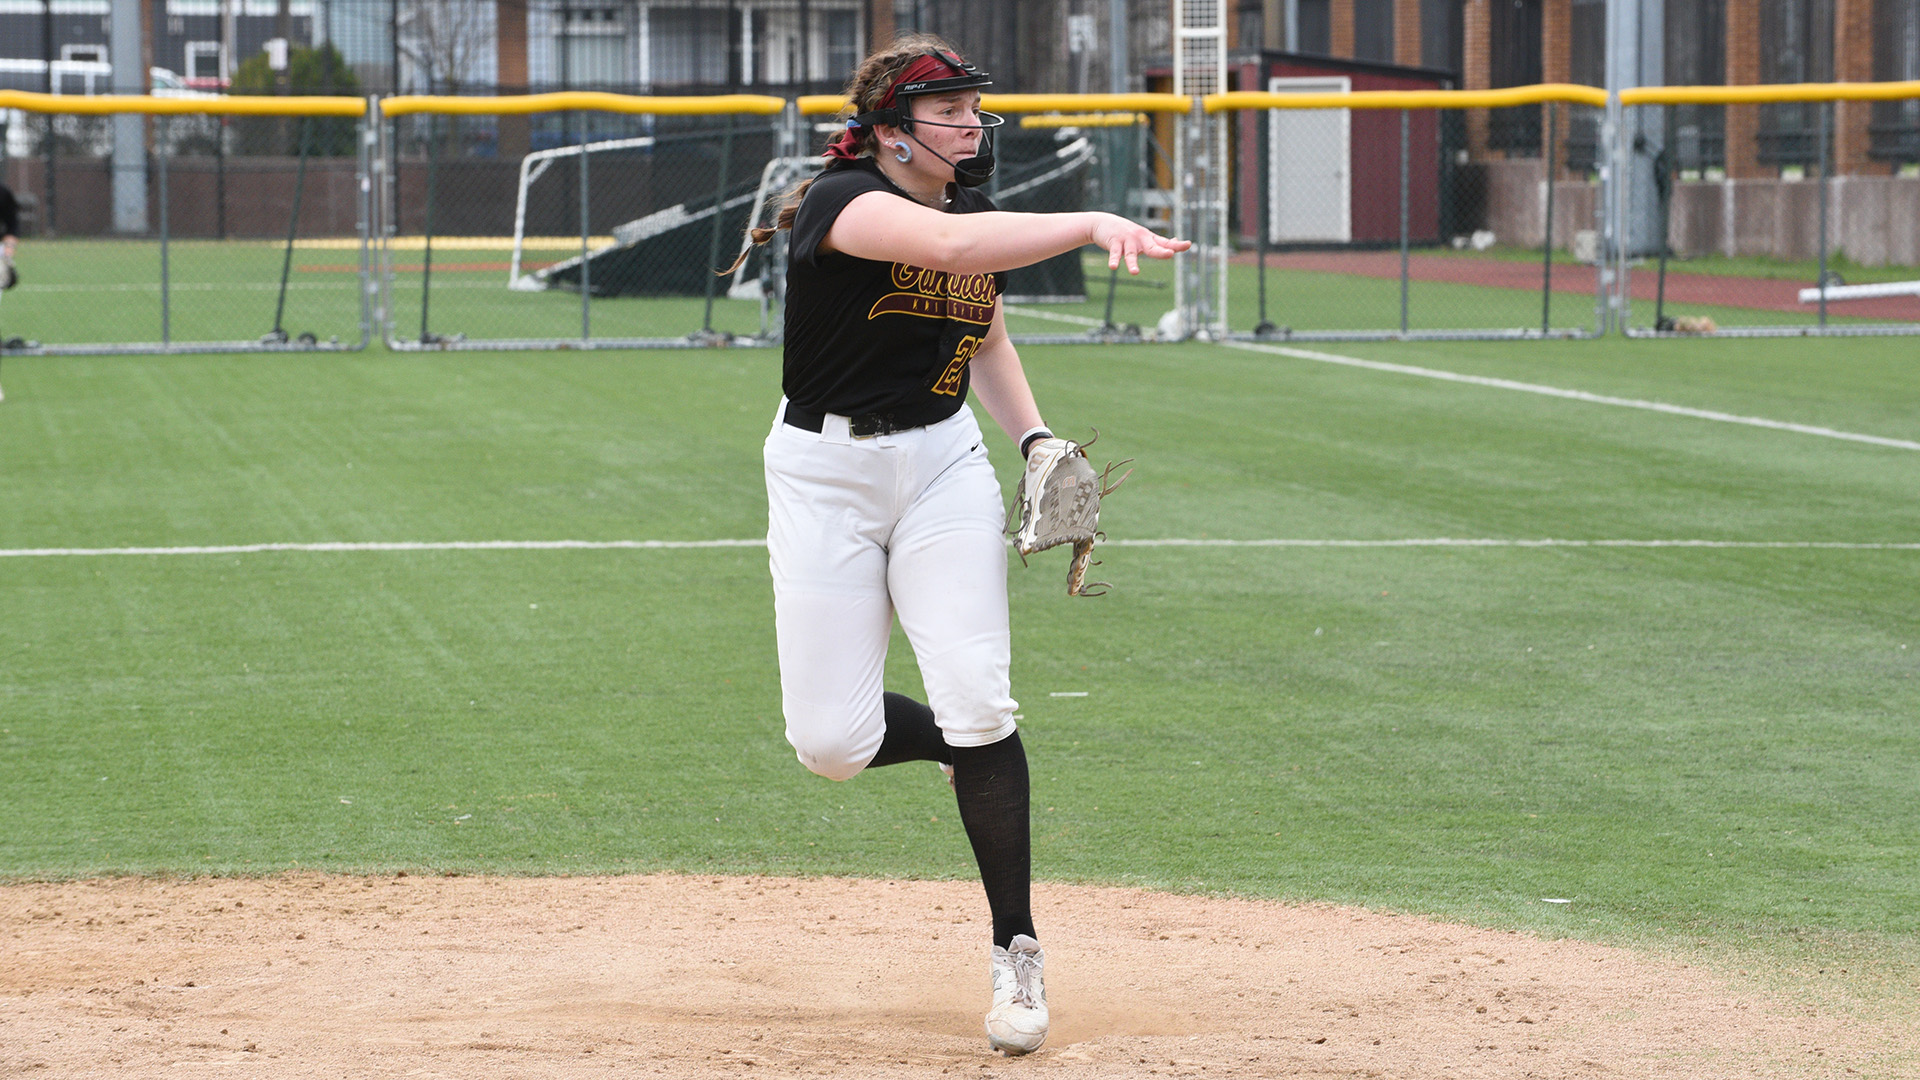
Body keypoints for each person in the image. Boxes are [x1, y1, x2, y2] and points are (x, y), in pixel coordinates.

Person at [731, 35, 1187, 1056]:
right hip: (824, 477)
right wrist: (1097, 219)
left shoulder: (967, 209)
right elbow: (945, 256)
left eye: (974, 107)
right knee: (833, 747)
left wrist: (1030, 434)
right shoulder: (842, 203)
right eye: (948, 112)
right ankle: (958, 750)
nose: (972, 124)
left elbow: (980, 325)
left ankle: (1016, 949)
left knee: (982, 700)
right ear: (891, 132)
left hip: (941, 468)